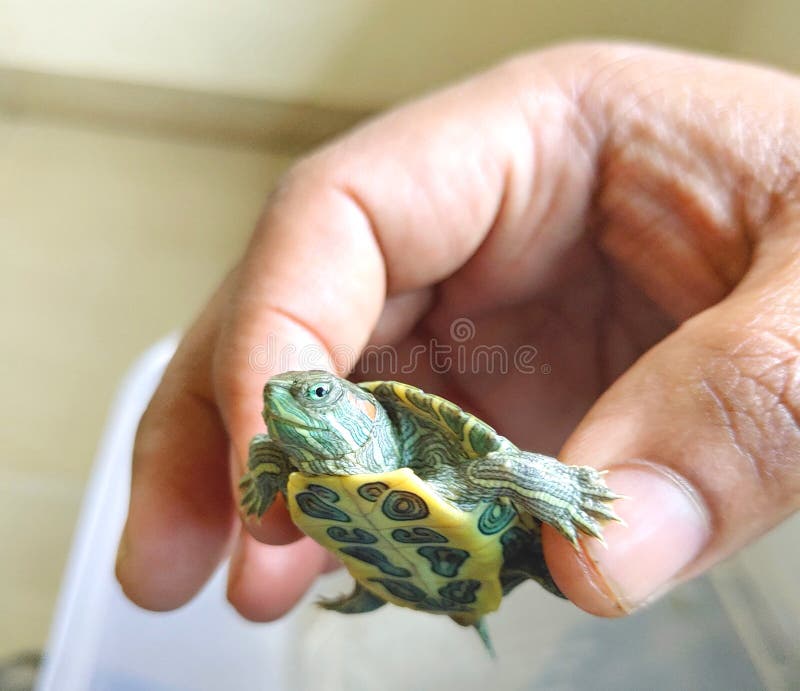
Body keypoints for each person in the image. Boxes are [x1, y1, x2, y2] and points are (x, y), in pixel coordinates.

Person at [115, 42, 800, 621]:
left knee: (517, 487)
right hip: (403, 568)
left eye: (318, 394)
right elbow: (267, 462)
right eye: (287, 401)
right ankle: (370, 590)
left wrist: (572, 491)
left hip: (474, 550)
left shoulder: (440, 453)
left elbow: (503, 469)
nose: (290, 401)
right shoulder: (294, 460)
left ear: (359, 407)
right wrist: (265, 472)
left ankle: (393, 580)